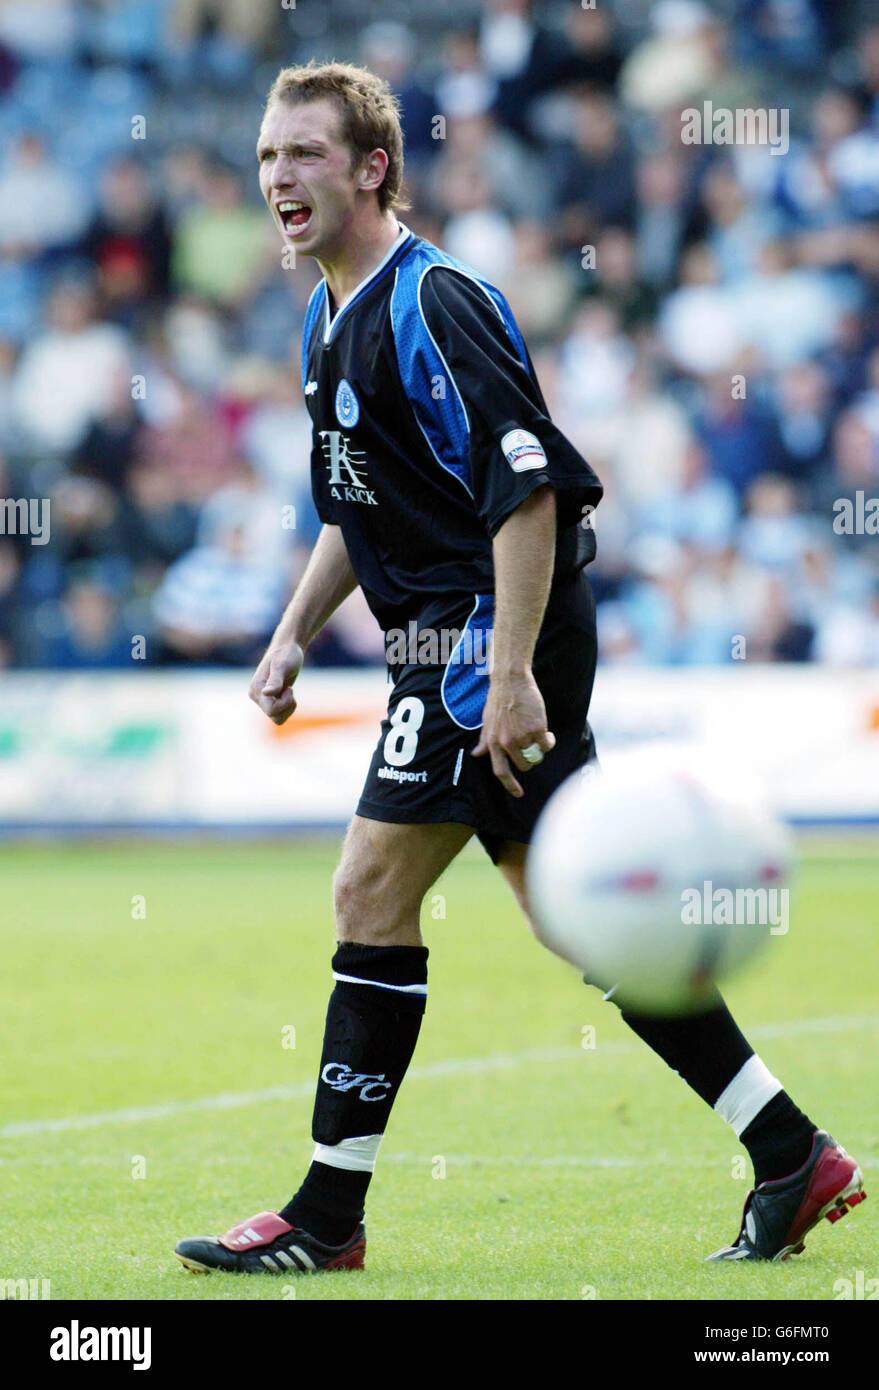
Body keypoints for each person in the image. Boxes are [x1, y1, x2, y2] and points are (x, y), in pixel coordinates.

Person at [174, 62, 864, 1277]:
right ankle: (787, 1148)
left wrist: (506, 672)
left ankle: (328, 1214)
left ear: (372, 166)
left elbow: (529, 485)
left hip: (484, 638)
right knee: (576, 909)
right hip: (455, 636)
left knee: (368, 891)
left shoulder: (433, 302)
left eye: (306, 156)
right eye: (269, 157)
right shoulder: (327, 319)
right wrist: (289, 630)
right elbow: (360, 507)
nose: (280, 178)